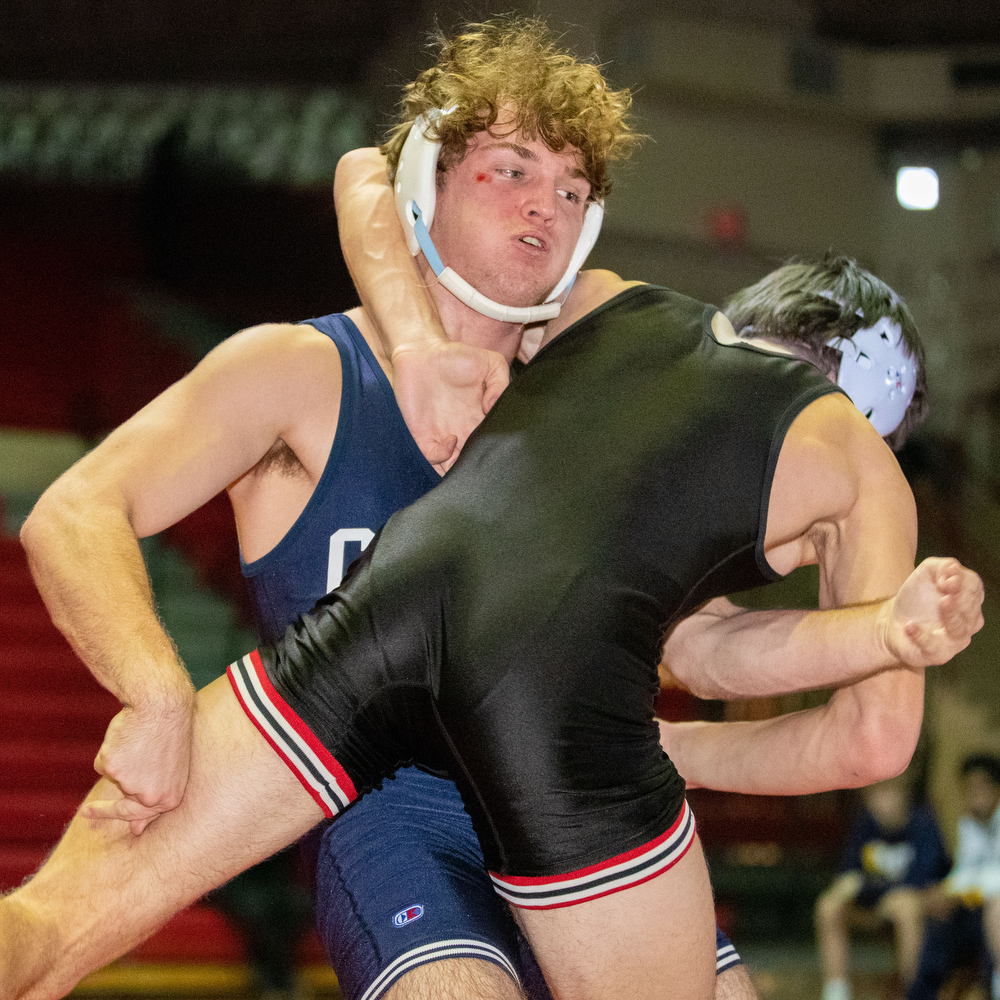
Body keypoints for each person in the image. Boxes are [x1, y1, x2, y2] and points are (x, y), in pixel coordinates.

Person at [5, 19, 985, 1000]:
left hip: (569, 778)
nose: (544, 207)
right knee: (56, 934)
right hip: (385, 804)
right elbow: (76, 509)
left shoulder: (596, 383)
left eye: (570, 190)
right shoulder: (302, 371)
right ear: (425, 178)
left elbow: (700, 652)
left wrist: (854, 637)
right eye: (510, 171)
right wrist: (154, 688)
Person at [814, 773, 949, 1000]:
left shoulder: (923, 822)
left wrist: (873, 887)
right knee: (827, 906)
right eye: (876, 795)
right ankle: (836, 992)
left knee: (905, 906)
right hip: (875, 901)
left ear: (904, 793)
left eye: (889, 793)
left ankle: (914, 992)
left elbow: (922, 880)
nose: (882, 802)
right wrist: (850, 889)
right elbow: (849, 873)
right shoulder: (865, 825)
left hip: (921, 904)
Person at [907, 755, 1000, 1000]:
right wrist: (945, 892)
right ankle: (921, 994)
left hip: (993, 910)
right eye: (969, 788)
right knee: (938, 917)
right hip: (974, 909)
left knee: (996, 909)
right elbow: (965, 871)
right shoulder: (969, 823)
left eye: (982, 786)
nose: (975, 794)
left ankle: (991, 988)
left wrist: (960, 889)